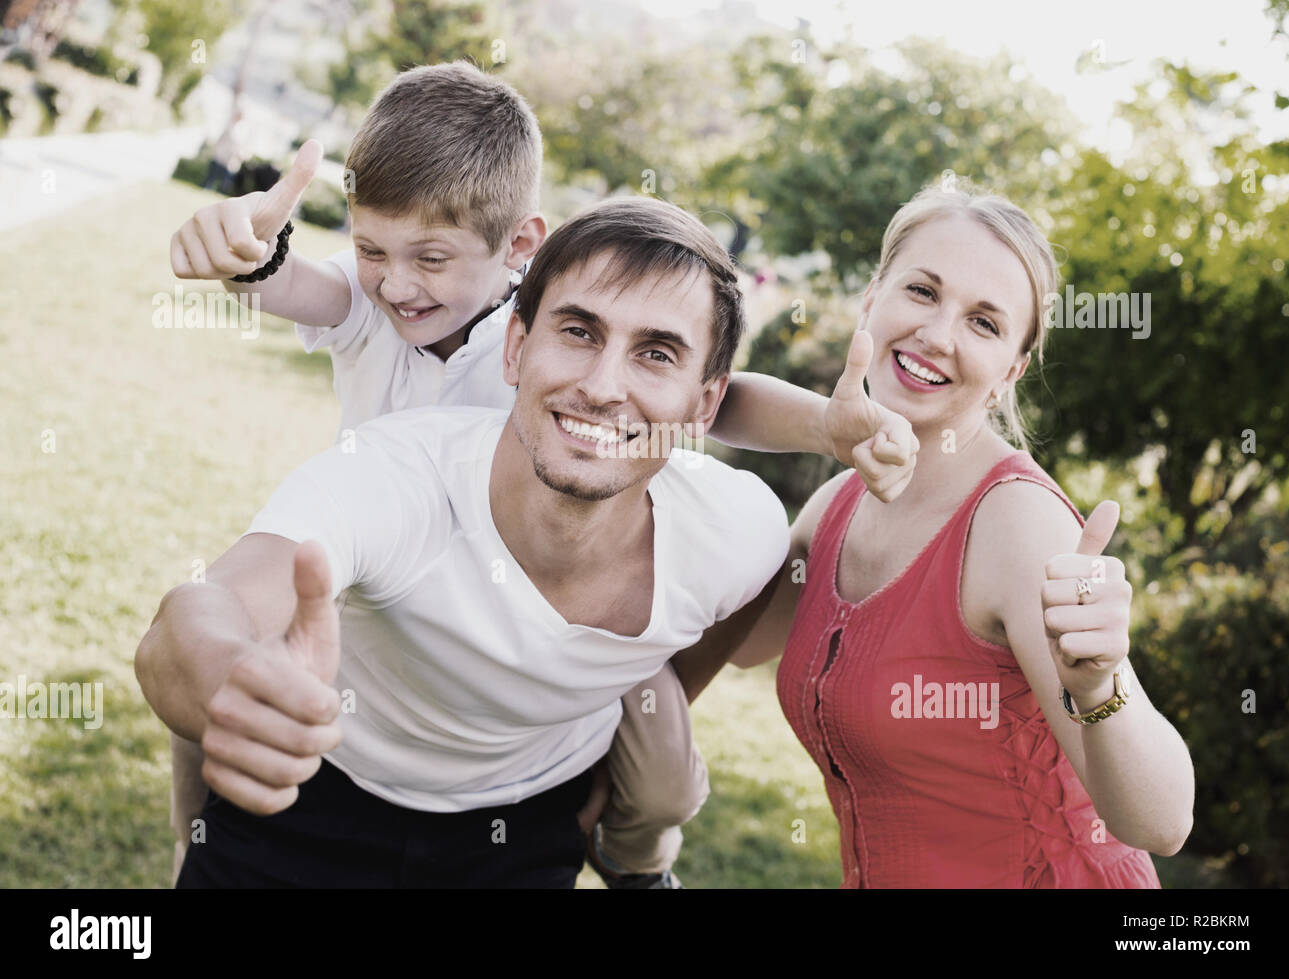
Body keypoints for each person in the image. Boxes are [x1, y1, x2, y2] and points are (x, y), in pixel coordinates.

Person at [165, 62, 917, 888]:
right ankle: (189, 838)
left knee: (663, 775)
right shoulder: (378, 314)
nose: (398, 282)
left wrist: (826, 427)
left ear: (516, 249)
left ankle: (638, 864)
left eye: (431, 257)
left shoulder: (542, 327)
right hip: (389, 580)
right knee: (231, 674)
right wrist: (249, 256)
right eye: (373, 249)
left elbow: (718, 398)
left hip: (558, 646)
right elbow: (299, 285)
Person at [728, 181, 1195, 887]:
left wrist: (1100, 686)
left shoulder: (1017, 524)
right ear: (871, 300)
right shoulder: (834, 506)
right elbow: (738, 642)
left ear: (1009, 371)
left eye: (983, 322)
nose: (938, 335)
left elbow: (1162, 822)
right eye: (921, 291)